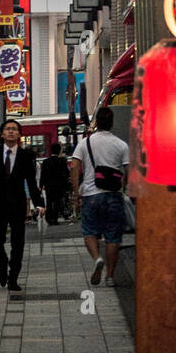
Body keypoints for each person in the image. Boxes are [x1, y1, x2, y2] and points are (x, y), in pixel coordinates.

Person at [0, 118, 44, 292]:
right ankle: (2, 263)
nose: (11, 131)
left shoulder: (26, 156)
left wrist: (39, 204)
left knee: (18, 243)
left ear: (19, 134)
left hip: (18, 205)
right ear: (2, 133)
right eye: (8, 129)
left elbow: (31, 183)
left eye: (14, 129)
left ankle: (13, 279)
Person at [70, 106, 129, 287]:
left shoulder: (85, 143)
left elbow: (74, 167)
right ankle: (110, 276)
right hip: (113, 195)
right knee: (113, 237)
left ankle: (97, 259)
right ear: (111, 123)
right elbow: (127, 171)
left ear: (96, 123)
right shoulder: (121, 144)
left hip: (91, 194)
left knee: (89, 232)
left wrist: (75, 193)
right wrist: (122, 186)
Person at [39, 141, 70, 225]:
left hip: (48, 186)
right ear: (59, 151)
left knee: (49, 202)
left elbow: (43, 175)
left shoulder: (46, 162)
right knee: (57, 202)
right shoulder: (62, 161)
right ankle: (55, 219)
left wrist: (41, 185)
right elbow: (67, 173)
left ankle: (49, 219)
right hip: (59, 185)